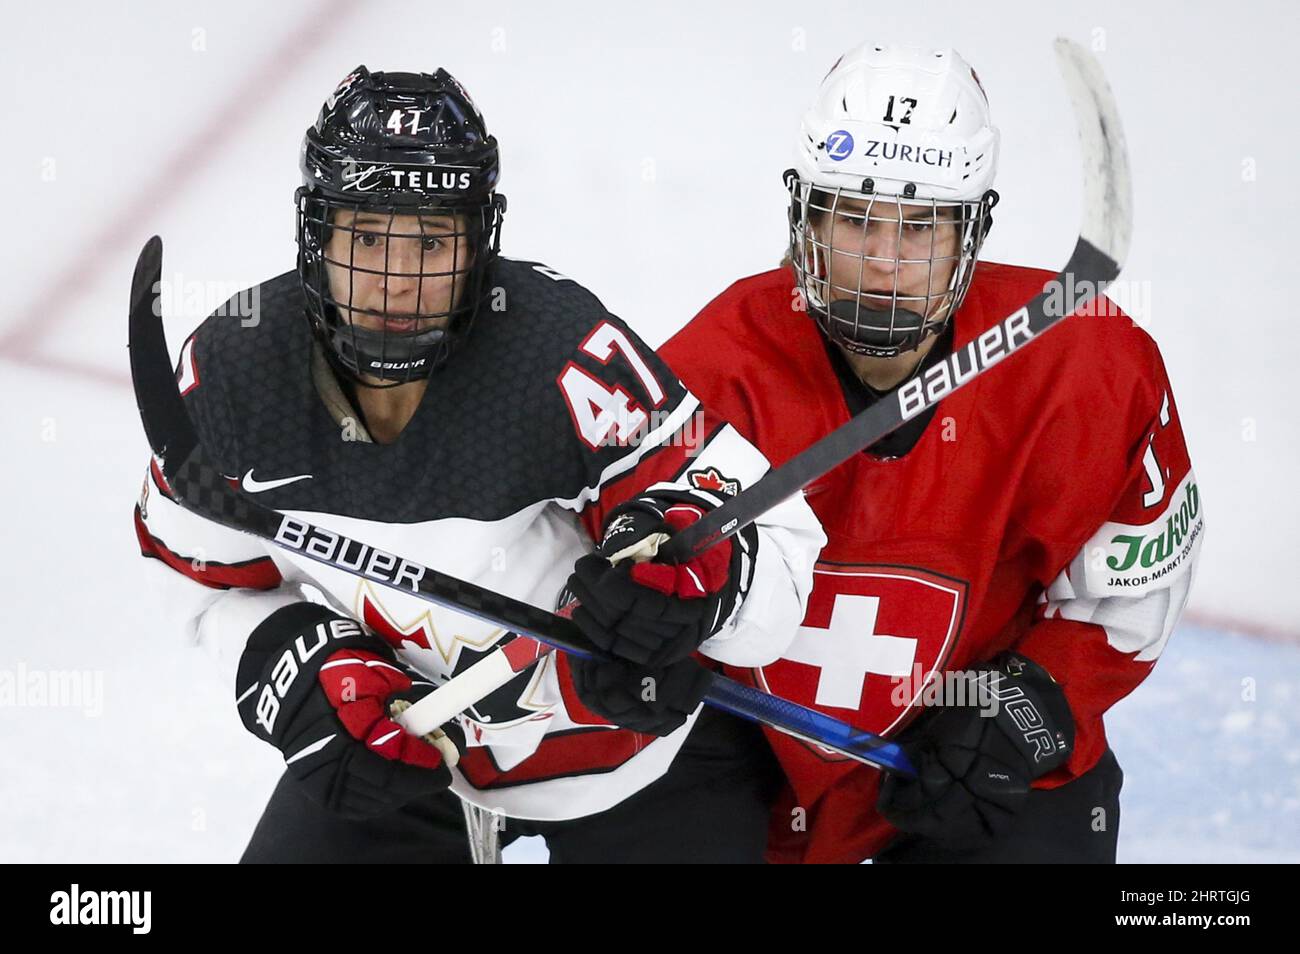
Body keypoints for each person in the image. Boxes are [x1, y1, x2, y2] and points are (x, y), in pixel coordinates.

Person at [133, 65, 825, 863]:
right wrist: (303, 679)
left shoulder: (556, 352)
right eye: (365, 237)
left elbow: (774, 555)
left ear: (480, 242)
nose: (396, 280)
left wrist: (695, 580)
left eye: (431, 241)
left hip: (636, 764)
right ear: (314, 235)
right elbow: (199, 582)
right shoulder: (234, 374)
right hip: (397, 756)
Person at [657, 42, 1203, 863]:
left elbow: (1127, 596)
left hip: (972, 738)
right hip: (745, 744)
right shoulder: (712, 369)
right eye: (854, 219)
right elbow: (634, 572)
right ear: (804, 216)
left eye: (920, 227)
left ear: (972, 230)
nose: (882, 264)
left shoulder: (1085, 368)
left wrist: (1027, 706)